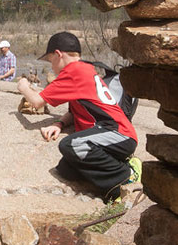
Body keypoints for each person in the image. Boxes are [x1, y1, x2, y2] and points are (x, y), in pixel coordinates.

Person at [17, 31, 141, 199]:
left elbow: (37, 101)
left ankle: (128, 175)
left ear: (58, 54)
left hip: (117, 133)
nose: (51, 66)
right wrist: (59, 124)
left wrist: (23, 86)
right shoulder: (84, 68)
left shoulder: (74, 71)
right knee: (65, 169)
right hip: (110, 137)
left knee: (70, 145)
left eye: (50, 60)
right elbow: (73, 111)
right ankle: (117, 168)